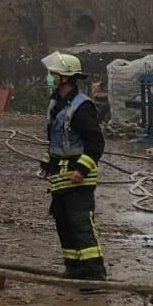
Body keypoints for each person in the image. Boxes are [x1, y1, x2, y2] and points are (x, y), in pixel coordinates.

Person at [39, 51, 108, 283]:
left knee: (80, 223)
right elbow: (57, 141)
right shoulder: (57, 104)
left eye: (54, 74)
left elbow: (96, 142)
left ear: (65, 78)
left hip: (78, 179)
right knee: (63, 222)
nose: (50, 77)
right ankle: (75, 268)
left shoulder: (81, 107)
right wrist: (47, 164)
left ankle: (94, 273)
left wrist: (82, 169)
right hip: (60, 177)